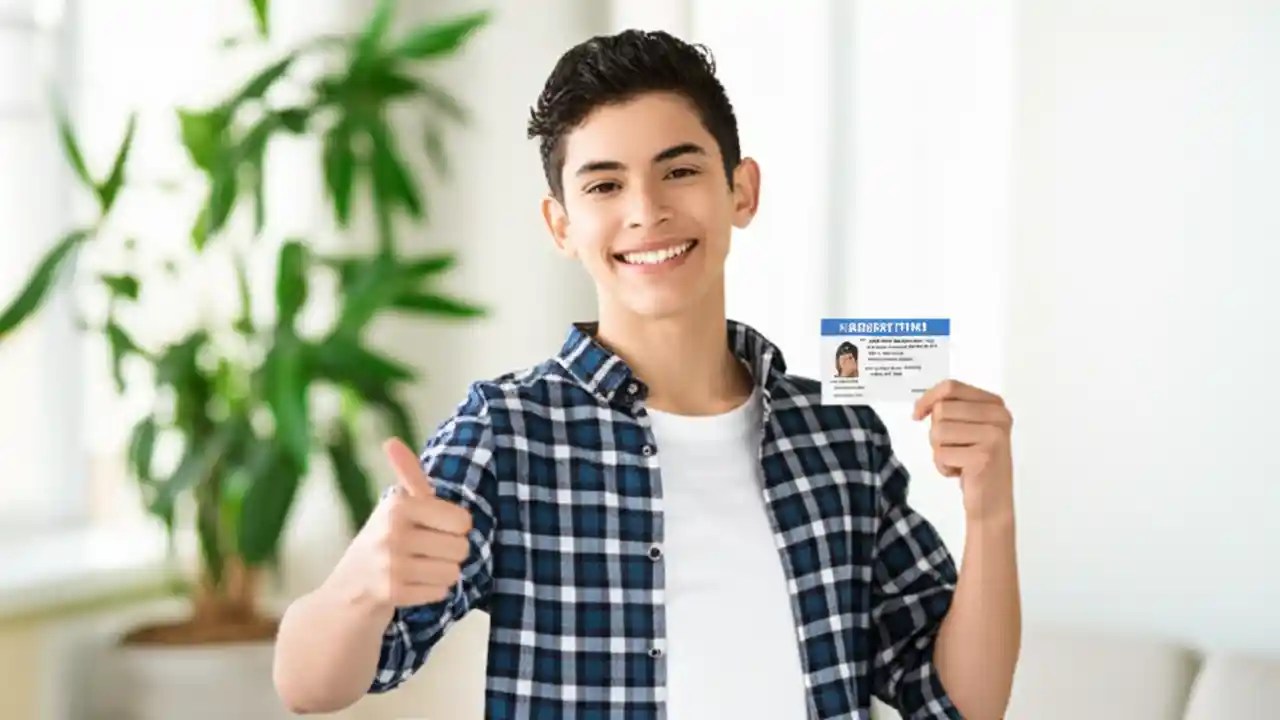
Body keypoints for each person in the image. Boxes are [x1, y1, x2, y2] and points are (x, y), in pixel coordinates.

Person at [273, 29, 1020, 720]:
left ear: (742, 191)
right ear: (561, 224)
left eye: (680, 170)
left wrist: (990, 511)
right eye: (603, 186)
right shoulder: (506, 433)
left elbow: (961, 702)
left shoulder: (840, 436)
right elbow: (308, 687)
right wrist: (359, 587)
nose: (647, 211)